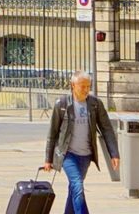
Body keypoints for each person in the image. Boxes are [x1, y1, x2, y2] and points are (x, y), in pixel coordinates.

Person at [43, 72, 121, 214]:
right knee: (78, 186)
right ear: (73, 85)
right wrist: (48, 159)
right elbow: (52, 133)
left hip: (86, 156)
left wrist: (114, 154)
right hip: (67, 154)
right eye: (82, 86)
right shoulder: (62, 104)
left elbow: (107, 130)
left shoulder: (95, 104)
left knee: (74, 188)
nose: (86, 90)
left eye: (88, 86)